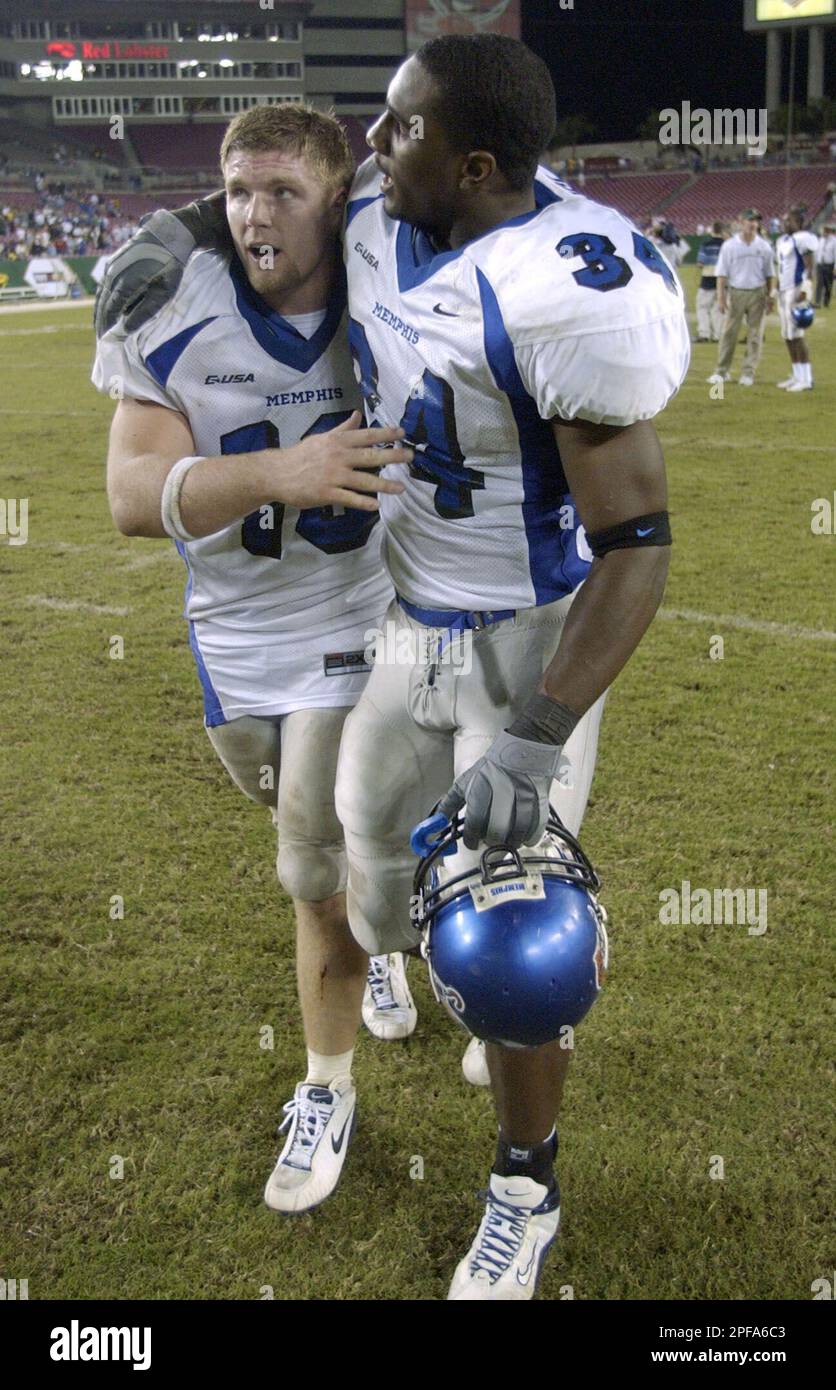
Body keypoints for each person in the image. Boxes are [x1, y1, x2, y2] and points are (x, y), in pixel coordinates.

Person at [95, 36, 690, 1301]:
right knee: (367, 876)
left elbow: (636, 544)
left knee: (515, 937)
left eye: (402, 128)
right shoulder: (384, 205)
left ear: (472, 164)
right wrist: (177, 225)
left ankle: (523, 1185)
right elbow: (281, 189)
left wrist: (534, 735)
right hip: (405, 622)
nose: (375, 143)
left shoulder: (562, 284)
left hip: (529, 632)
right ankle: (401, 1004)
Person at [92, 105, 419, 1217]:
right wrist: (282, 470)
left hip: (360, 608)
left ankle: (325, 1084)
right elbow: (133, 497)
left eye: (281, 190)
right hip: (235, 629)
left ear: (337, 199)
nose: (250, 213)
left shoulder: (387, 268)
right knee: (305, 829)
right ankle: (379, 940)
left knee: (309, 866)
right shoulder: (175, 294)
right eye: (234, 190)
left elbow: (458, 162)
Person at [708, 208, 775, 387]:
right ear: (741, 221)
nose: (753, 224)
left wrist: (771, 296)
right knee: (729, 333)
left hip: (757, 293)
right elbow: (722, 274)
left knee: (755, 335)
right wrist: (721, 298)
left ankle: (748, 372)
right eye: (749, 220)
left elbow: (770, 274)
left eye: (755, 221)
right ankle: (722, 371)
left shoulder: (764, 246)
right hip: (736, 292)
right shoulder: (730, 246)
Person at [775, 206, 817, 392]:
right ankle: (797, 374)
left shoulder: (803, 239)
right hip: (783, 291)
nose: (785, 224)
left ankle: (806, 378)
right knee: (788, 335)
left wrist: (806, 290)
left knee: (797, 336)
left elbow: (809, 267)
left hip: (795, 289)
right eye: (785, 221)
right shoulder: (783, 240)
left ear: (799, 223)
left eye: (789, 221)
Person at [695, 221, 726, 342]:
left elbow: (700, 263)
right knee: (718, 308)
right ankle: (718, 334)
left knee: (702, 306)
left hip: (708, 278)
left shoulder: (706, 244)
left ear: (712, 230)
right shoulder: (727, 245)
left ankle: (704, 333)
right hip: (723, 279)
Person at [815, 222, 834, 309]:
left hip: (829, 265)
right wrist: (816, 263)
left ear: (828, 231)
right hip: (820, 265)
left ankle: (826, 302)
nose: (823, 233)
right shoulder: (820, 240)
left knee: (828, 285)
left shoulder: (834, 241)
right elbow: (817, 252)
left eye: (824, 231)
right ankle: (817, 302)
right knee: (819, 284)